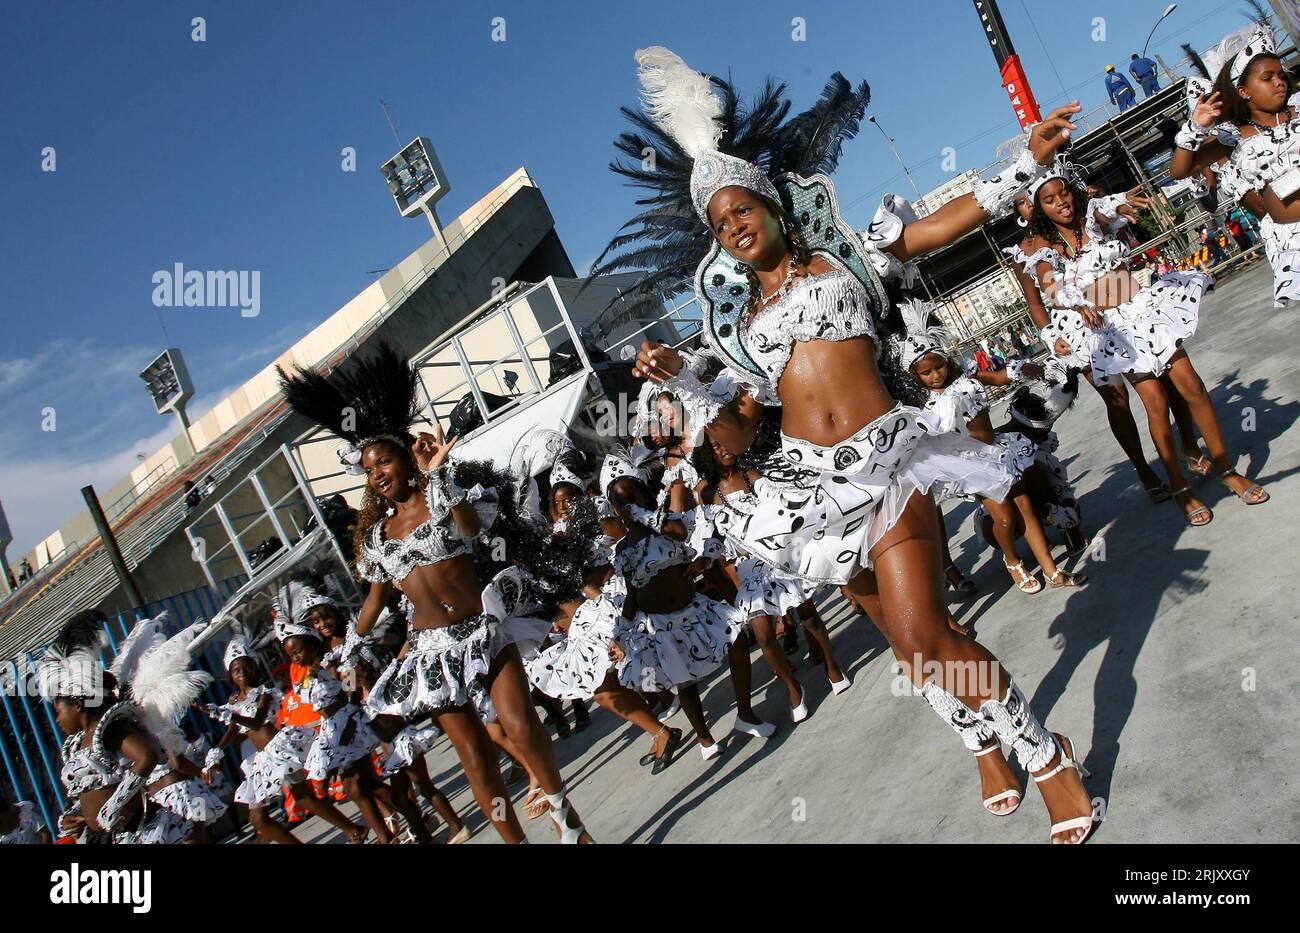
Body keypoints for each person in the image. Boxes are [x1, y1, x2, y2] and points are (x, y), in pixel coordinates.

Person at [603, 47, 1098, 841]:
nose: (733, 226)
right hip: (809, 492)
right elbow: (738, 431)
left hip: (889, 463)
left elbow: (937, 227)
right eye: (719, 223)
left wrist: (1020, 169)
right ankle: (983, 744)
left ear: (771, 203)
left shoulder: (845, 254)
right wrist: (686, 385)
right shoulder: (733, 330)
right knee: (916, 651)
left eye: (742, 208)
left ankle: (1046, 754)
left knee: (925, 632)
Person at [278, 341, 593, 844]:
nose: (376, 476)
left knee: (521, 725)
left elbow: (471, 532)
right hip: (431, 651)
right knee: (475, 758)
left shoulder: (443, 495)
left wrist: (439, 476)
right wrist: (352, 647)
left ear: (406, 456)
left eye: (382, 462)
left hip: (482, 632)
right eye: (368, 470)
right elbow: (377, 601)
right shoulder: (378, 537)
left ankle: (566, 821)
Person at [1024, 167, 1269, 523]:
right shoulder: (1044, 249)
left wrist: (1123, 203)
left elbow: (1109, 206)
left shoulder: (1092, 217)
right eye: (1049, 199)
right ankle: (1179, 486)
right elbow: (1049, 287)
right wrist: (1077, 303)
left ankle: (1227, 469)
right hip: (1114, 329)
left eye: (1063, 193)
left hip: (1144, 309)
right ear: (1039, 208)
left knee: (1192, 386)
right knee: (1156, 403)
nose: (1060, 202)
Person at [1171, 25, 1300, 305]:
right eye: (1267, 78)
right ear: (1243, 91)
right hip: (1293, 242)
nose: (1279, 81)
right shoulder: (1234, 136)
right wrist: (1195, 127)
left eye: (1281, 75)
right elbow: (1180, 170)